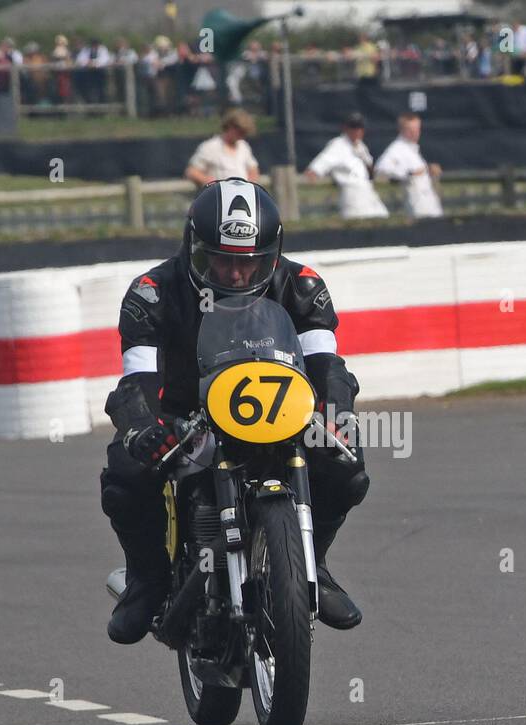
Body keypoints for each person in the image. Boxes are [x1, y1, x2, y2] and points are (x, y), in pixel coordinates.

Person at [101, 178, 370, 644]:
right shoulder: (152, 293)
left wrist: (336, 414)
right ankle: (147, 580)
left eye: (249, 264)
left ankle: (314, 565)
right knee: (125, 472)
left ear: (273, 252)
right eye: (220, 261)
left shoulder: (303, 287)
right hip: (185, 419)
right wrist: (142, 426)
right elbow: (135, 379)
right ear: (193, 247)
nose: (235, 276)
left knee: (348, 468)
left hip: (282, 410)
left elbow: (328, 366)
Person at [304, 113, 389, 220]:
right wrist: (314, 171)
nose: (357, 131)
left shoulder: (361, 146)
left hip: (368, 193)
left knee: (383, 219)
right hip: (352, 195)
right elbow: (323, 161)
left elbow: (369, 167)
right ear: (346, 128)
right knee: (358, 228)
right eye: (353, 127)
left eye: (359, 127)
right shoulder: (338, 144)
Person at [375, 112, 443, 218]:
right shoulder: (396, 149)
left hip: (430, 205)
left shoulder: (413, 149)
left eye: (417, 129)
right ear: (401, 130)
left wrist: (429, 171)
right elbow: (381, 171)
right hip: (417, 207)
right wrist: (410, 174)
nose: (414, 133)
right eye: (410, 129)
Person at [185, 109, 260, 186]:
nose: (242, 136)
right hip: (218, 196)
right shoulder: (210, 146)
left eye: (244, 133)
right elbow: (192, 172)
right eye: (240, 131)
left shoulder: (244, 146)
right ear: (230, 126)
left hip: (242, 195)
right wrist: (210, 182)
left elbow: (253, 169)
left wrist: (250, 185)